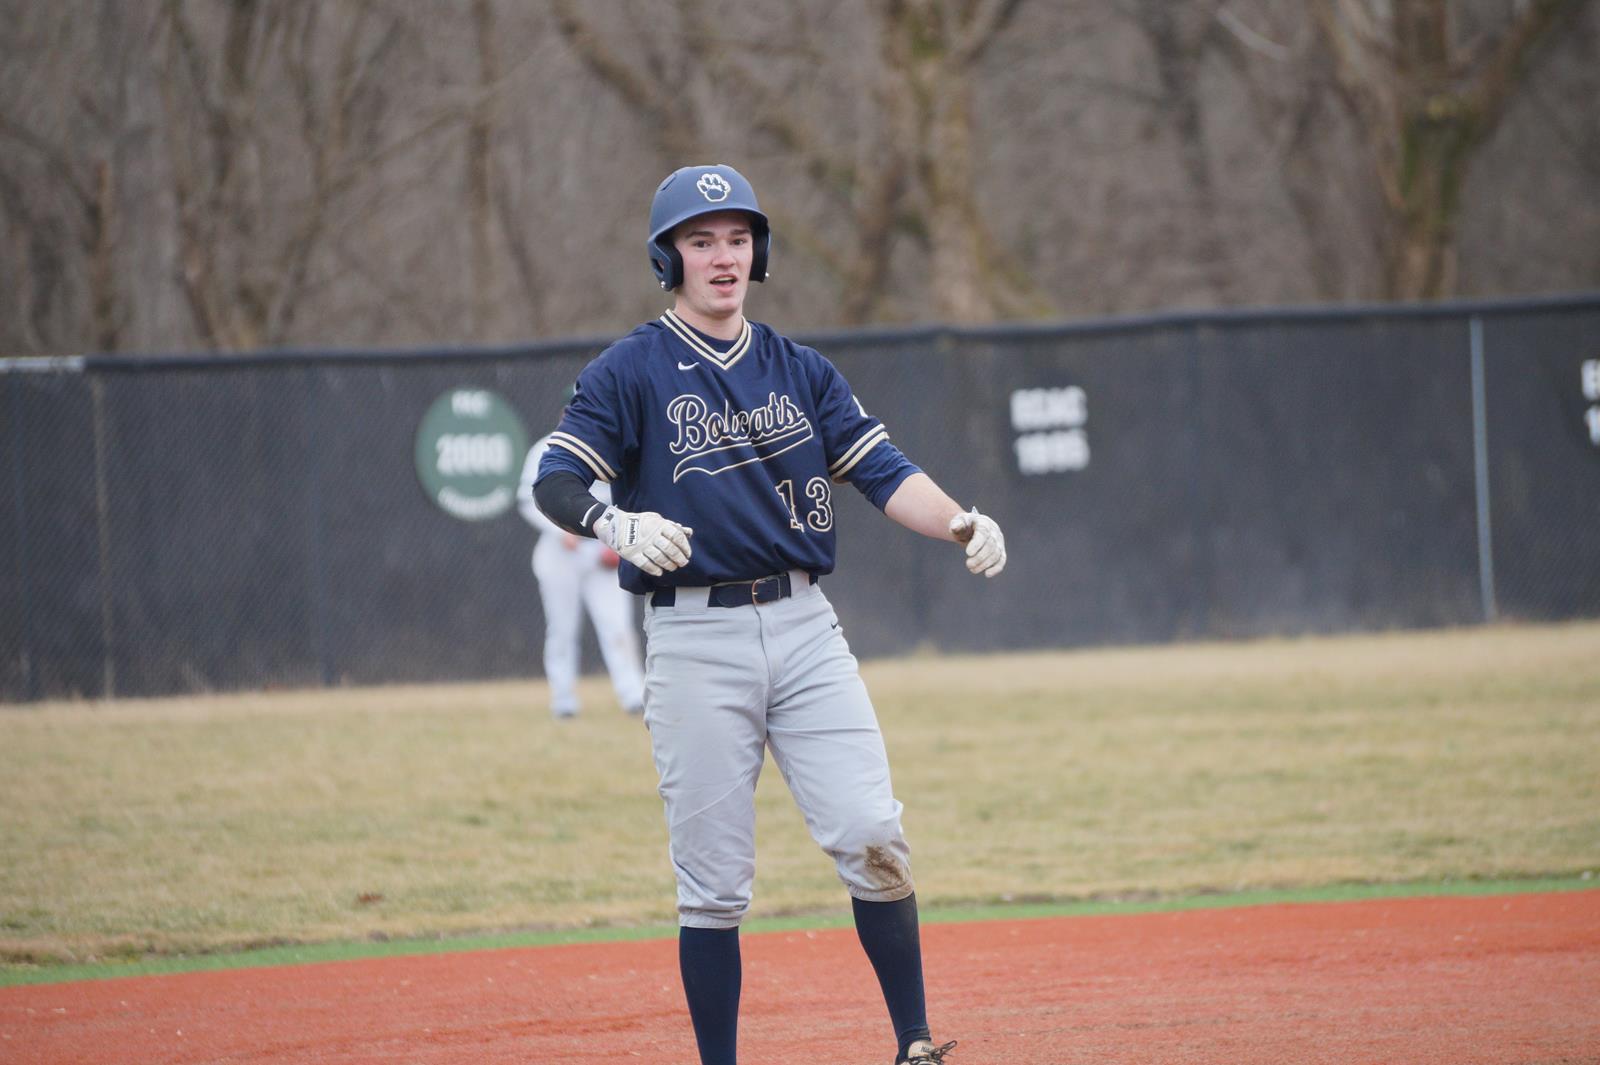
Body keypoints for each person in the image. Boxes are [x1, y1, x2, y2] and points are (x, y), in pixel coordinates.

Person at [533, 164, 1005, 1065]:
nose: (723, 256)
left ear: (760, 252)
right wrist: (615, 520)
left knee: (873, 830)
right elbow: (555, 475)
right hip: (693, 636)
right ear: (668, 256)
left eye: (738, 238)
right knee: (713, 886)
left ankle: (914, 1045)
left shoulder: (800, 368)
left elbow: (881, 469)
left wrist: (959, 521)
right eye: (701, 240)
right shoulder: (629, 369)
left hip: (802, 627)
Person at [517, 430, 646, 718]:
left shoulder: (614, 447)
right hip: (561, 552)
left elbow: (630, 499)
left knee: (618, 626)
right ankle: (563, 701)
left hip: (603, 551)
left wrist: (621, 543)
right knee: (562, 629)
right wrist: (558, 529)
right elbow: (527, 500)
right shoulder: (547, 446)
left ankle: (633, 695)